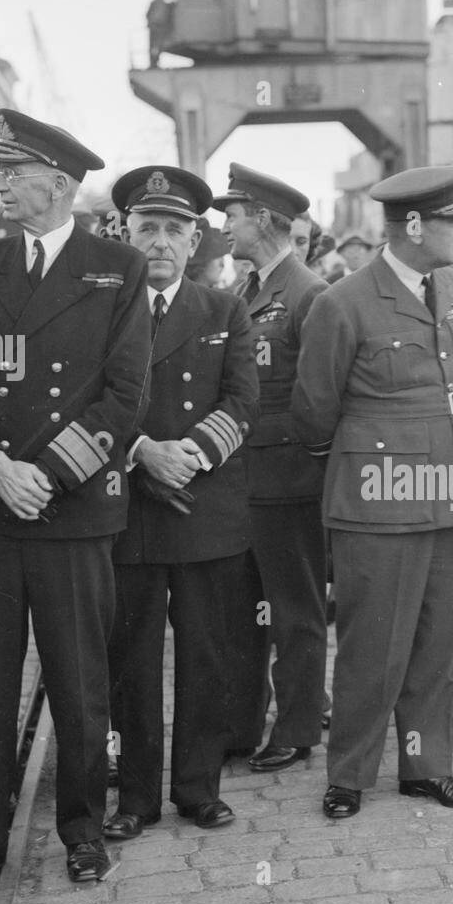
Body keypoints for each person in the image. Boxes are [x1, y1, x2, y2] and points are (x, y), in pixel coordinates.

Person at [0, 109, 152, 885]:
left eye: (11, 174)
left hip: (73, 511)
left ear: (57, 185)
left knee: (80, 682)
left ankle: (82, 830)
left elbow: (125, 393)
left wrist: (48, 474)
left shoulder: (116, 267)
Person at [292, 165, 453, 819]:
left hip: (452, 490)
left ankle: (426, 765)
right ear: (413, 226)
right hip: (379, 501)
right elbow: (313, 412)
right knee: (374, 645)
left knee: (442, 642)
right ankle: (348, 776)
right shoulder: (342, 302)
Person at [102, 165, 260, 836]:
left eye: (174, 229)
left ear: (196, 242)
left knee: (206, 656)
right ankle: (136, 798)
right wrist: (143, 453)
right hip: (130, 509)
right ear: (123, 233)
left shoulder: (224, 310)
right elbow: (87, 400)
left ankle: (198, 788)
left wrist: (185, 457)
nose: (160, 242)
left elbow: (242, 400)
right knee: (131, 661)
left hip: (203, 509)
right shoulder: (101, 312)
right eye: (147, 228)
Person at [212, 163, 329, 773]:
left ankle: (298, 726)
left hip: (289, 484)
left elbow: (320, 400)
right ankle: (238, 727)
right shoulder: (245, 291)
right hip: (241, 483)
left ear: (262, 219)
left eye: (231, 215)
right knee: (242, 613)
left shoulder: (308, 293)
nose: (222, 225)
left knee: (295, 612)